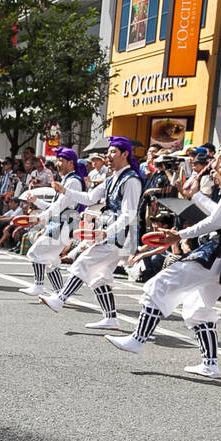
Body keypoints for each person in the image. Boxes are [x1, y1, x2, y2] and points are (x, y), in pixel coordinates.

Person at [108, 127, 221, 377]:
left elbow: (219, 220)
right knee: (198, 308)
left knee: (160, 284)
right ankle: (210, 364)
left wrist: (180, 234)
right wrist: (196, 196)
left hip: (217, 253)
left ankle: (138, 338)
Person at [40, 137, 144, 331]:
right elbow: (89, 198)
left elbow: (128, 215)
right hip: (111, 232)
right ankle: (110, 318)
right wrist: (65, 191)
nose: (108, 156)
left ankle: (60, 298)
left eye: (113, 152)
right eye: (109, 152)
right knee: (99, 277)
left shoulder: (131, 180)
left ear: (125, 154)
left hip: (120, 235)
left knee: (84, 262)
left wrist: (106, 232)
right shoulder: (113, 178)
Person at [19, 147, 87, 297]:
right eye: (58, 160)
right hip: (60, 223)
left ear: (71, 163)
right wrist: (36, 201)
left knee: (35, 253)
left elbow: (60, 206)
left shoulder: (73, 181)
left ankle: (38, 286)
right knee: (50, 261)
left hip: (63, 224)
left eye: (61, 160)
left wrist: (40, 217)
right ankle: (58, 292)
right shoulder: (68, 180)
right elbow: (55, 206)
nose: (58, 163)